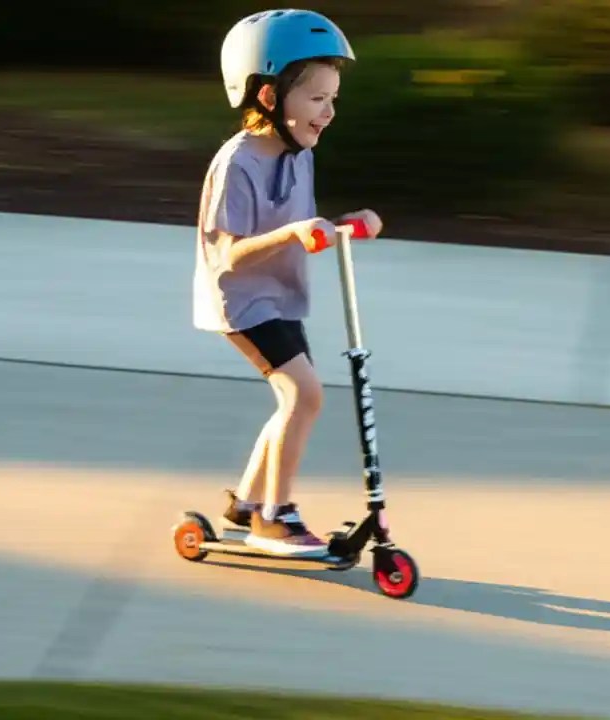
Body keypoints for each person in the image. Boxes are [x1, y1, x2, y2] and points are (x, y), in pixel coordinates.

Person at [192, 8, 382, 556]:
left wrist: (347, 225)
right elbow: (226, 255)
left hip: (280, 296)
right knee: (304, 395)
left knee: (294, 400)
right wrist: (296, 234)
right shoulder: (238, 164)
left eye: (333, 99)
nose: (329, 113)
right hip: (243, 301)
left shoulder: (298, 153)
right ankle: (274, 517)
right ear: (271, 98)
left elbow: (302, 229)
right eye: (317, 99)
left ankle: (247, 503)